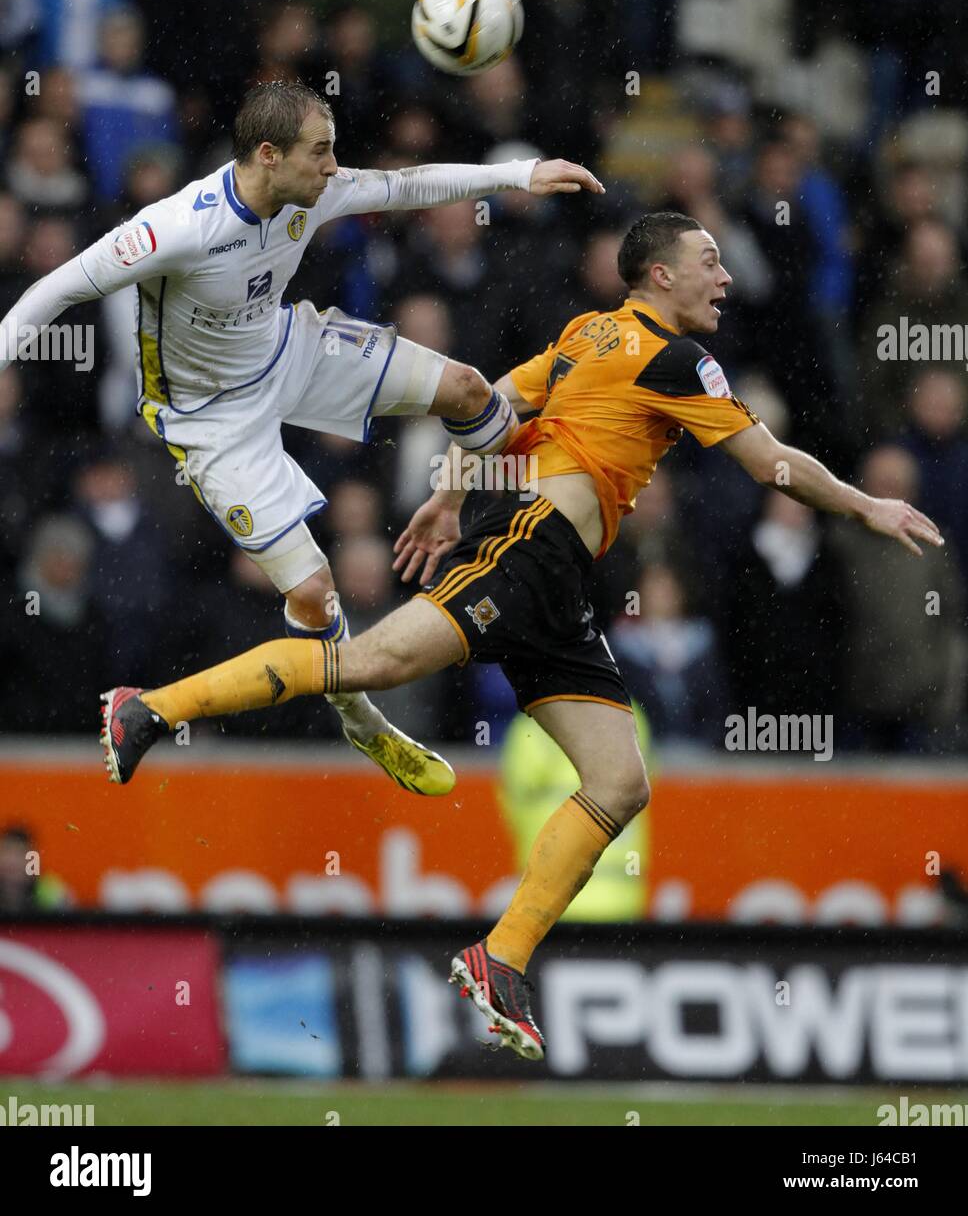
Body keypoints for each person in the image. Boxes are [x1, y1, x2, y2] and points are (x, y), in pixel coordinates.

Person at [96, 212, 944, 1061]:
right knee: (376, 661)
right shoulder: (678, 357)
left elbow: (496, 400)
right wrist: (867, 504)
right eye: (709, 262)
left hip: (558, 580)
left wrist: (451, 492)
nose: (724, 278)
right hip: (530, 546)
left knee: (618, 782)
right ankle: (151, 708)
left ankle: (499, 959)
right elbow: (773, 466)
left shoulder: (587, 332)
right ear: (658, 276)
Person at [0, 78, 602, 794]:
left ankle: (503, 505)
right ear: (267, 154)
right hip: (210, 421)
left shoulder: (313, 189)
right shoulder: (179, 227)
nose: (332, 167)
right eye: (319, 152)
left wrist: (519, 176)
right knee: (316, 592)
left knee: (469, 388)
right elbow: (58, 286)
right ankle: (362, 718)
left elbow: (405, 184)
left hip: (288, 351)